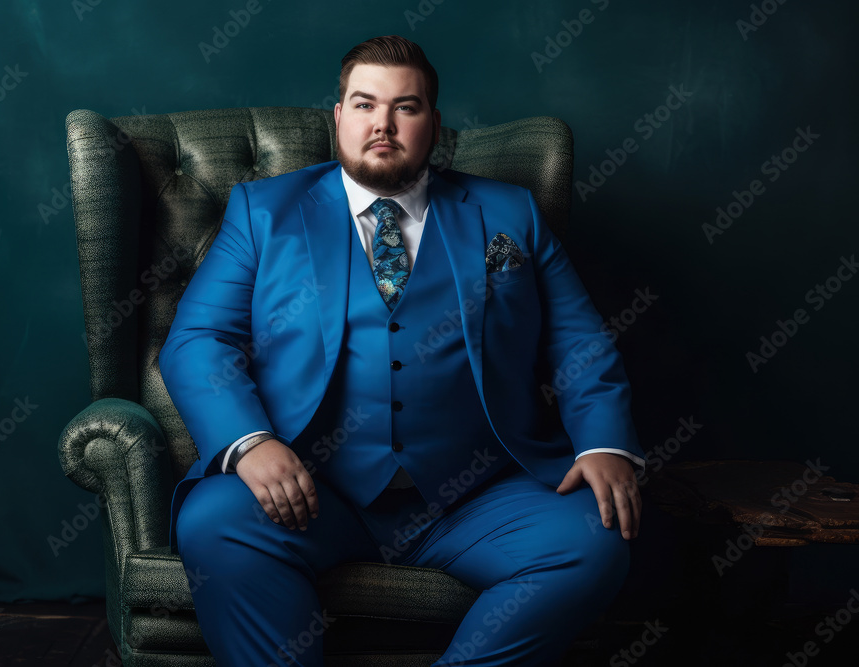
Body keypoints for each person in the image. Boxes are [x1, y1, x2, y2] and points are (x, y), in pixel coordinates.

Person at [159, 34, 644, 666]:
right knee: (212, 523)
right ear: (338, 117)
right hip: (312, 489)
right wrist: (252, 442)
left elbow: (578, 339)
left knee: (595, 541)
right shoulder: (265, 213)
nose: (381, 125)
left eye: (405, 108)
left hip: (474, 495)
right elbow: (198, 338)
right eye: (364, 105)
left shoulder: (509, 213)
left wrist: (603, 443)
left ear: (435, 125)